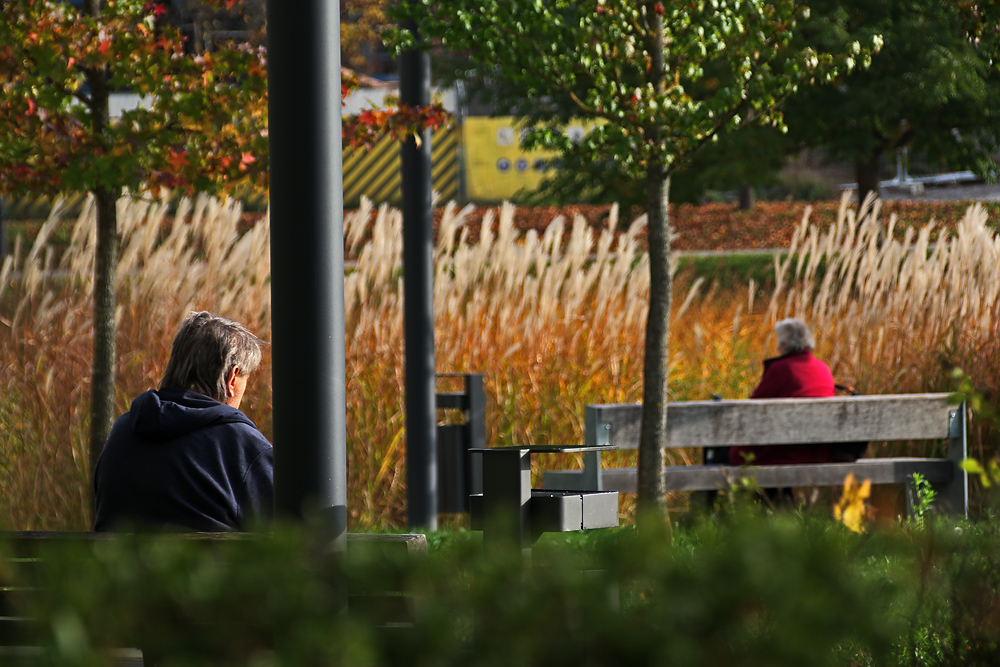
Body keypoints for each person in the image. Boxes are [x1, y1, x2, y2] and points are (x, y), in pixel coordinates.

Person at [94, 312, 273, 532]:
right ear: (232, 379)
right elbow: (289, 532)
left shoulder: (123, 430)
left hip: (115, 567)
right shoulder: (241, 445)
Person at [728, 318, 836, 466]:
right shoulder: (823, 369)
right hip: (819, 453)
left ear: (783, 344)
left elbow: (753, 409)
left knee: (723, 455)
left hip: (783, 452)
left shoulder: (780, 370)